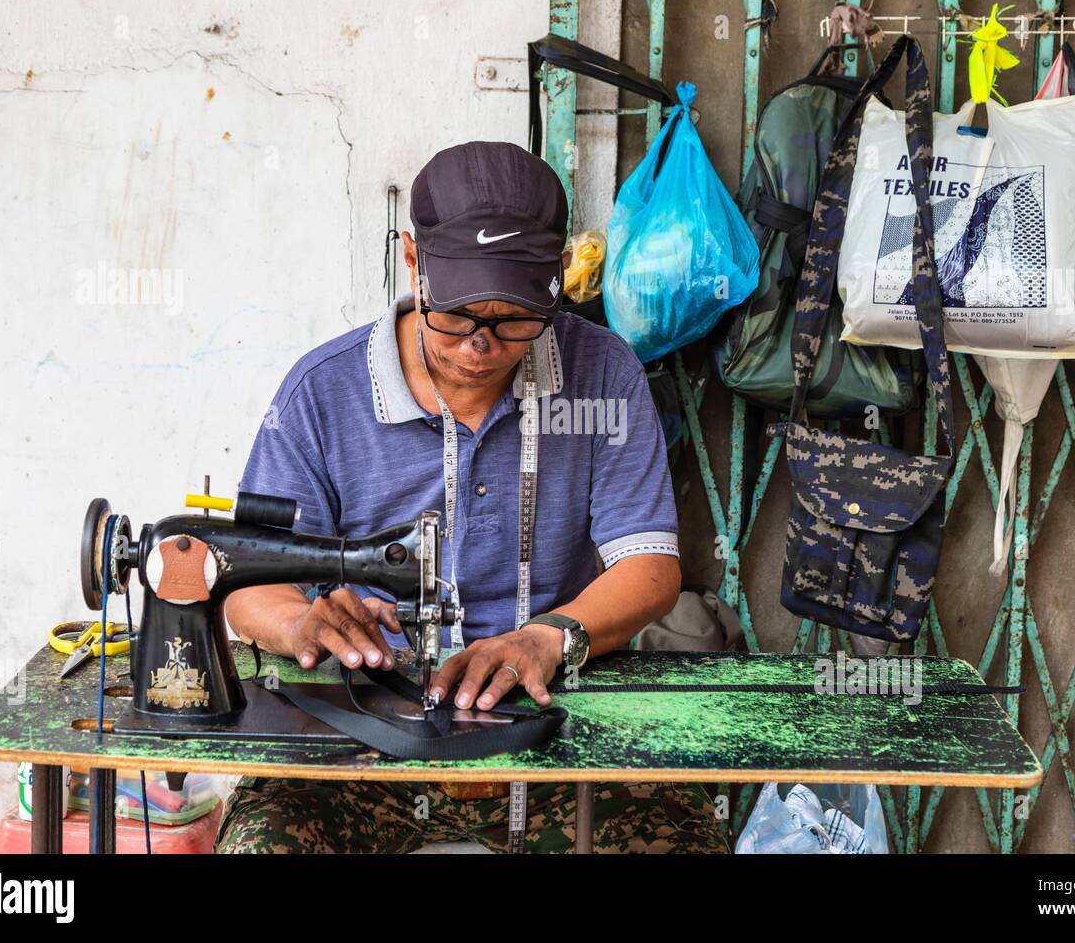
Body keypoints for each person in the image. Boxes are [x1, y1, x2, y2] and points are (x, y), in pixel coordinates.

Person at [215, 140, 727, 853]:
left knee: (682, 839)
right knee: (263, 844)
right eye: (456, 315)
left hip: (555, 728)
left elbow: (649, 567)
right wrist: (302, 627)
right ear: (412, 261)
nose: (480, 347)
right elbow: (246, 582)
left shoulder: (603, 374)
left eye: (514, 318)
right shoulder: (323, 394)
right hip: (364, 732)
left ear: (556, 279)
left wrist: (548, 638)